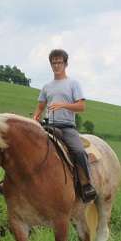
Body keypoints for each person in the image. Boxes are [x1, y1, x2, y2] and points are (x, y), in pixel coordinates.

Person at [33, 49, 97, 203]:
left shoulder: (73, 84)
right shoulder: (46, 86)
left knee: (79, 151)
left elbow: (81, 106)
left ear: (65, 64)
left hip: (67, 127)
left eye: (59, 62)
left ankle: (86, 185)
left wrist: (63, 105)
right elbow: (40, 107)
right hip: (48, 125)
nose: (56, 65)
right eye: (53, 62)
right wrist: (35, 118)